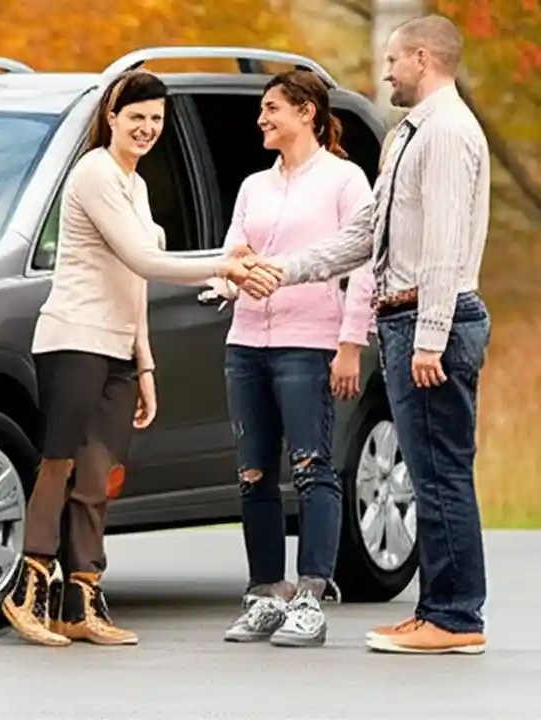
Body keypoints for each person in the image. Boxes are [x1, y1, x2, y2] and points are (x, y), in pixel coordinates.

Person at [237, 15, 492, 655]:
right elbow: (366, 235)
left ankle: (456, 618)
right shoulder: (411, 135)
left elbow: (441, 245)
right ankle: (437, 608)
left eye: (394, 60)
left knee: (440, 477)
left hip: (431, 318)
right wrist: (288, 269)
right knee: (429, 473)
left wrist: (431, 336)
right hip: (404, 317)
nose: (385, 72)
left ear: (425, 59)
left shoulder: (447, 134)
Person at [1, 70, 269, 647]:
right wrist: (223, 263)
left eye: (156, 121)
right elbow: (143, 258)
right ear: (112, 119)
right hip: (74, 338)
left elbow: (135, 282)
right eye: (136, 118)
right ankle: (29, 594)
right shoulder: (95, 172)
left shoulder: (136, 184)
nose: (147, 129)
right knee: (60, 464)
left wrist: (144, 364)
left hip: (118, 348)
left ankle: (81, 601)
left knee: (98, 477)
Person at [214, 70, 377, 648]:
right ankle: (265, 594)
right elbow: (234, 250)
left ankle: (310, 595)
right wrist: (238, 279)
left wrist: (350, 342)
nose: (262, 119)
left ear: (306, 112)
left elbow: (363, 262)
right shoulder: (255, 185)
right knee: (253, 472)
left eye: (271, 108)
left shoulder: (344, 179)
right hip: (247, 344)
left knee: (313, 468)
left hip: (310, 343)